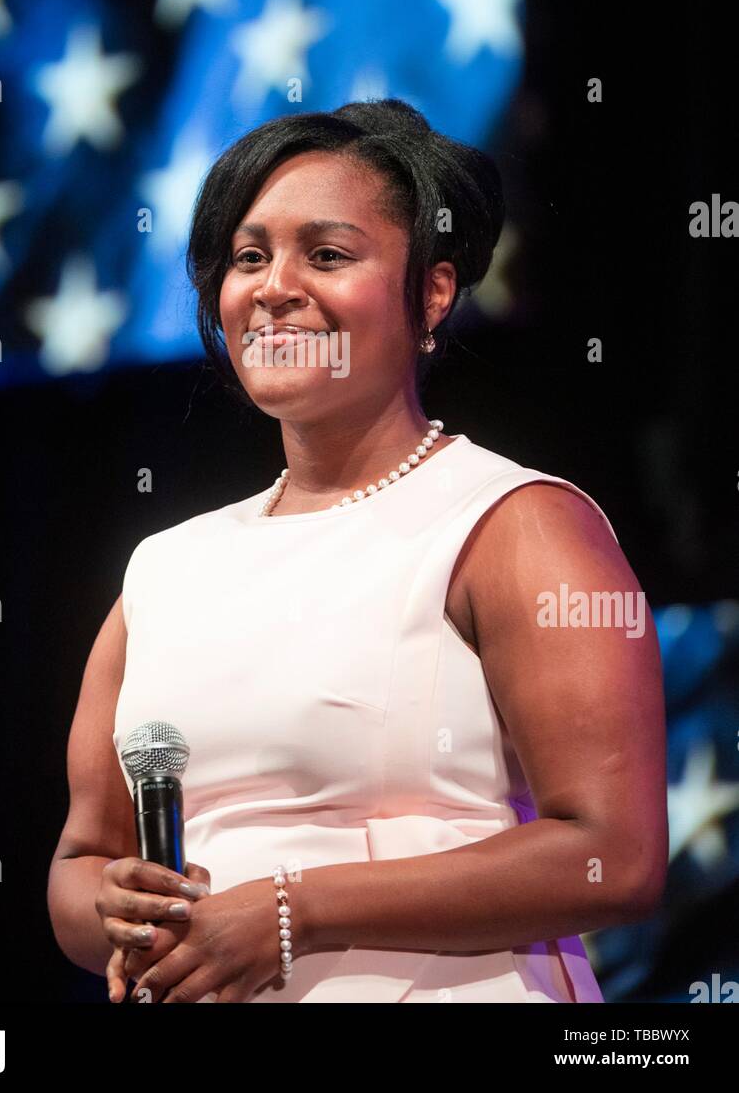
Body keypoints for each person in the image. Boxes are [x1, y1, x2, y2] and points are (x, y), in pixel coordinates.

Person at [47, 97, 668, 1003]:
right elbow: (80, 858)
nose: (272, 286)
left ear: (432, 293)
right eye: (248, 256)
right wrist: (107, 903)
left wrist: (293, 911)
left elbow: (614, 857)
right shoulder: (165, 568)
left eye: (327, 255)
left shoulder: (511, 522)